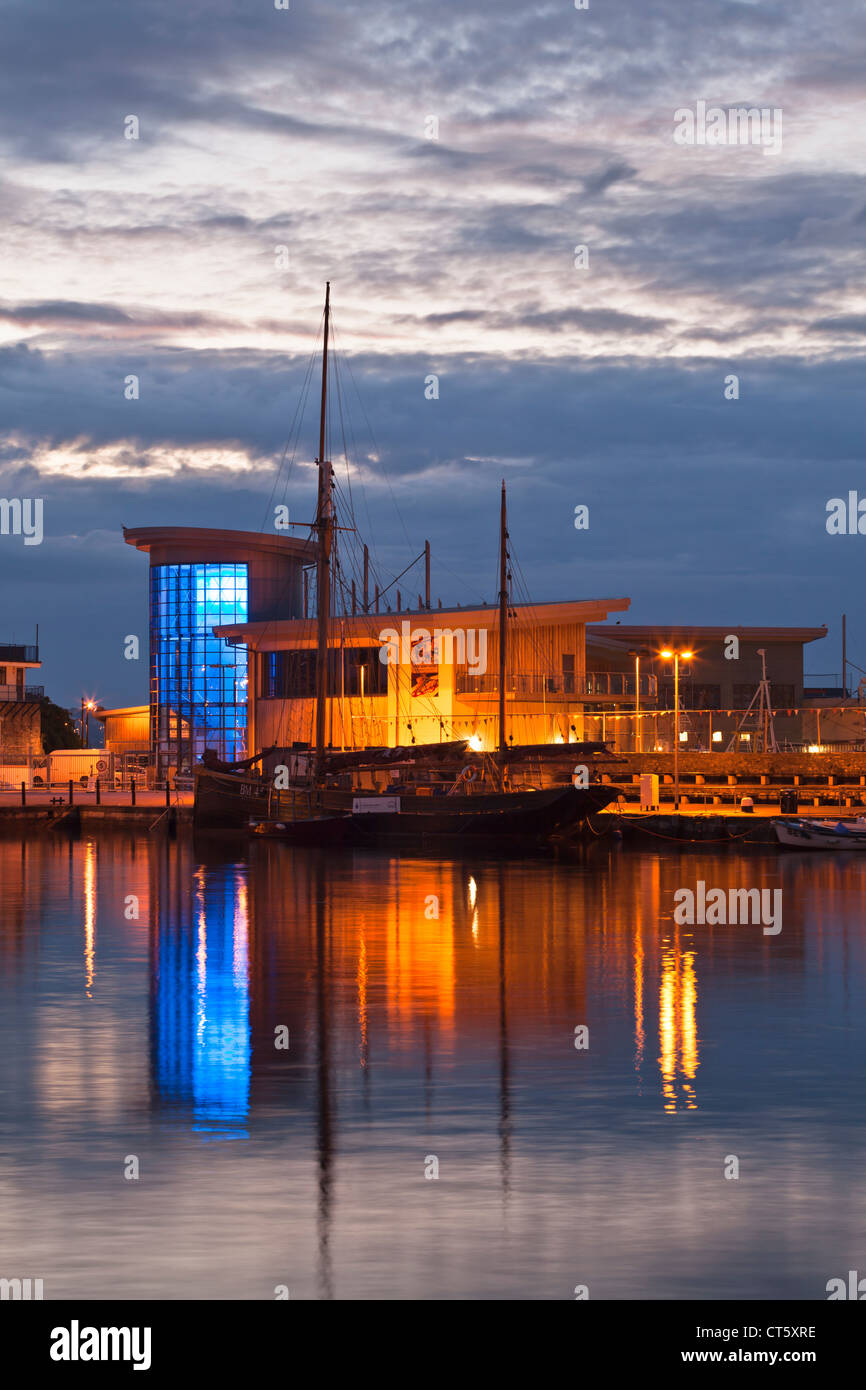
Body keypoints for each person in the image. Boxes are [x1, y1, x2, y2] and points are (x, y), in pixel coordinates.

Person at [199, 745, 277, 776]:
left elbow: (228, 766)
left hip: (227, 767)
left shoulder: (214, 764)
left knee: (238, 765)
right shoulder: (215, 764)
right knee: (239, 765)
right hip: (227, 766)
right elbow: (228, 766)